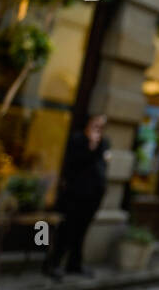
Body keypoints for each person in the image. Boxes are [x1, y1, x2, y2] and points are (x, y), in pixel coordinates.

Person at [44, 114, 110, 280]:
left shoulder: (104, 143)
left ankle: (74, 264)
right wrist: (91, 147)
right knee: (66, 231)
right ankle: (53, 264)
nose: (98, 129)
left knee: (81, 231)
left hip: (93, 196)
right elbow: (73, 164)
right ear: (88, 124)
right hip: (74, 195)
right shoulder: (77, 140)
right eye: (96, 125)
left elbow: (103, 165)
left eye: (101, 126)